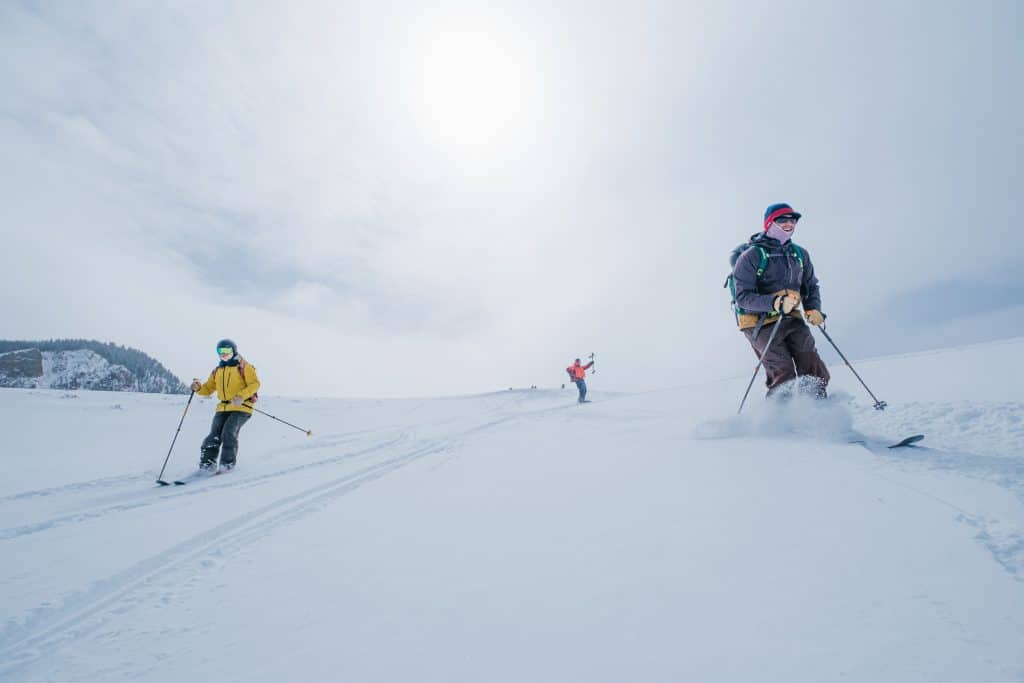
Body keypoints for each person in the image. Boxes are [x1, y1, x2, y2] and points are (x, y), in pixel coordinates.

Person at [731, 203, 830, 399]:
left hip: (790, 316)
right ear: (769, 223)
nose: (788, 223)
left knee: (811, 364)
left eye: (792, 219)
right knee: (783, 372)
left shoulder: (799, 254)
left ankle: (818, 409)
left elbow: (810, 286)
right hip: (758, 323)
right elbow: (743, 297)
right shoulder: (751, 256)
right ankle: (780, 421)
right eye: (781, 220)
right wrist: (774, 303)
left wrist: (813, 309)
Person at [190, 339, 261, 471]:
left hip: (242, 407)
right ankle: (207, 464)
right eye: (220, 351)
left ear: (233, 351)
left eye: (227, 351)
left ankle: (227, 464)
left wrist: (241, 395)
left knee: (228, 433)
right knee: (214, 435)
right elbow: (208, 388)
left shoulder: (244, 366)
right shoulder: (217, 371)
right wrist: (198, 388)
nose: (223, 354)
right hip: (223, 407)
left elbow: (255, 384)